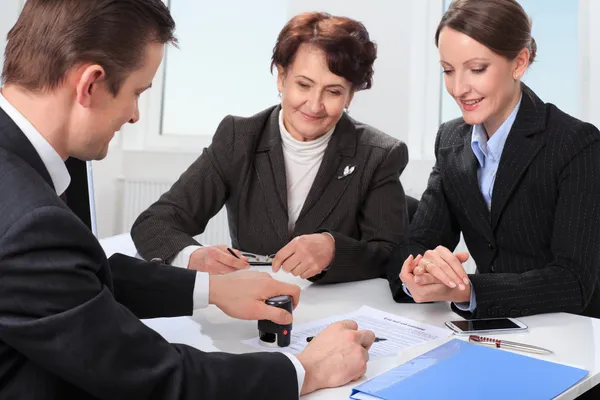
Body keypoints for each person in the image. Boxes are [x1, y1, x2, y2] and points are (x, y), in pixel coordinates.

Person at [0, 1, 375, 399]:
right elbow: (156, 377)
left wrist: (209, 290)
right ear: (90, 84)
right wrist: (305, 370)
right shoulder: (30, 223)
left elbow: (71, 282)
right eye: (136, 92)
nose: (134, 116)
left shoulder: (23, 191)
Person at [131, 12, 409, 284]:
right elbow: (154, 223)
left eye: (333, 91)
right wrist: (192, 257)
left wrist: (334, 249)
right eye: (303, 85)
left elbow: (391, 253)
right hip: (250, 308)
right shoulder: (237, 138)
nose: (314, 105)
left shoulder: (379, 154)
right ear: (281, 77)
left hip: (340, 313)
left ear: (350, 95)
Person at [387, 0, 600, 320]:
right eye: (448, 70)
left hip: (570, 332)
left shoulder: (576, 144)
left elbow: (573, 281)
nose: (458, 88)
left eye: (477, 69)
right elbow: (416, 242)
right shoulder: (450, 139)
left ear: (519, 63)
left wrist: (469, 291)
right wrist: (419, 273)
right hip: (489, 329)